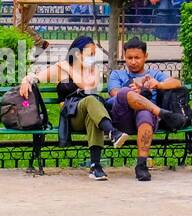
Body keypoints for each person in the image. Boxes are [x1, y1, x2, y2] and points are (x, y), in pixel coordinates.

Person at [19, 36, 128, 181]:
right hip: (71, 116)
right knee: (91, 102)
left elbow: (88, 87)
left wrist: (69, 69)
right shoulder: (60, 69)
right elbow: (35, 77)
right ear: (78, 54)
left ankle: (96, 167)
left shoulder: (93, 70)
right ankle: (113, 132)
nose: (93, 57)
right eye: (90, 54)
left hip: (91, 113)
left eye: (94, 54)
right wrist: (25, 81)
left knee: (91, 108)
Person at [106, 37, 187, 181]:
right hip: (122, 120)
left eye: (137, 57)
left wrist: (158, 85)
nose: (133, 61)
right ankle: (161, 112)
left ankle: (141, 165)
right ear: (124, 57)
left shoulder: (154, 75)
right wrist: (134, 89)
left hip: (146, 120)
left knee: (145, 113)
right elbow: (115, 94)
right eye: (129, 57)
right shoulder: (117, 74)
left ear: (146, 57)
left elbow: (177, 82)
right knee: (125, 93)